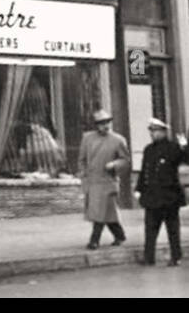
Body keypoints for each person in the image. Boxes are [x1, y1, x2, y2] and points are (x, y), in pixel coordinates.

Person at [135, 118, 185, 267]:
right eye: (151, 131)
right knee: (150, 229)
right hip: (152, 196)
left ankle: (176, 257)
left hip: (169, 196)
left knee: (173, 230)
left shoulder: (173, 148)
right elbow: (144, 172)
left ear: (163, 132)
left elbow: (187, 159)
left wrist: (185, 146)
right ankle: (149, 257)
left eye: (155, 130)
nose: (152, 134)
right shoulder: (148, 149)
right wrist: (139, 189)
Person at [78, 109, 129, 250]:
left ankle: (94, 240)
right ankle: (119, 235)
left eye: (107, 122)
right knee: (106, 212)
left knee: (100, 212)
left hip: (108, 181)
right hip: (93, 181)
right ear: (96, 125)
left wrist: (114, 164)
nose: (105, 126)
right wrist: (83, 173)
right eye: (101, 123)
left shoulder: (118, 140)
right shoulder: (87, 138)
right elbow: (82, 159)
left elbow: (125, 160)